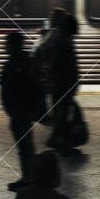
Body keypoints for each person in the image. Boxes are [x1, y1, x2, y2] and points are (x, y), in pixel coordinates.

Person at [0, 30, 46, 190]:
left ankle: (29, 178)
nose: (5, 47)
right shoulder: (25, 61)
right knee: (25, 145)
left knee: (25, 146)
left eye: (7, 44)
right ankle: (30, 177)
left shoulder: (18, 63)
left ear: (13, 46)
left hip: (21, 110)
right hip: (21, 110)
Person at [36, 9, 81, 154]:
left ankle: (57, 139)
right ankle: (62, 143)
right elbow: (70, 65)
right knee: (62, 112)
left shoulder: (58, 38)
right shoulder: (63, 40)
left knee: (59, 111)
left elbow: (43, 54)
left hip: (59, 81)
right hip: (64, 82)